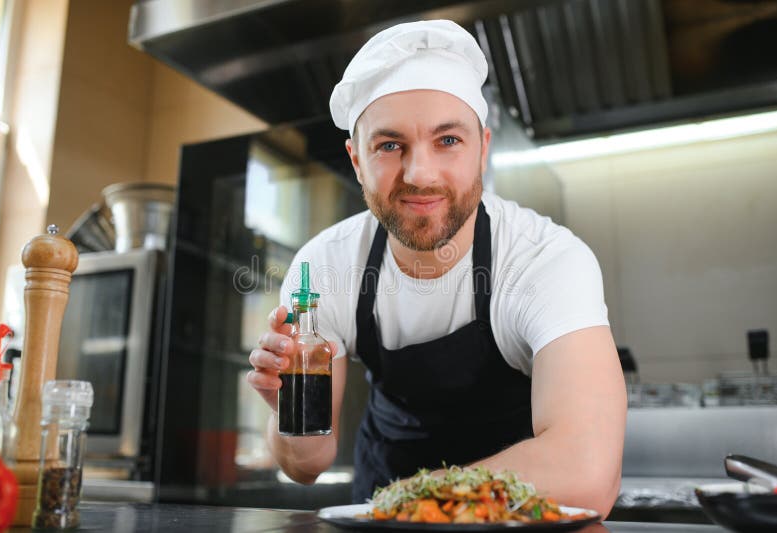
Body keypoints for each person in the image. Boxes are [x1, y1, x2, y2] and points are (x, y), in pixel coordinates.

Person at [247, 19, 626, 516]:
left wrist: (418, 499)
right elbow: (306, 464)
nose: (419, 174)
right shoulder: (321, 268)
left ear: (483, 149)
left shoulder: (544, 260)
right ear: (357, 161)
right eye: (389, 145)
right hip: (381, 513)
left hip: (511, 519)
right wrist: (288, 411)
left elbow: (587, 472)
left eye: (447, 140)